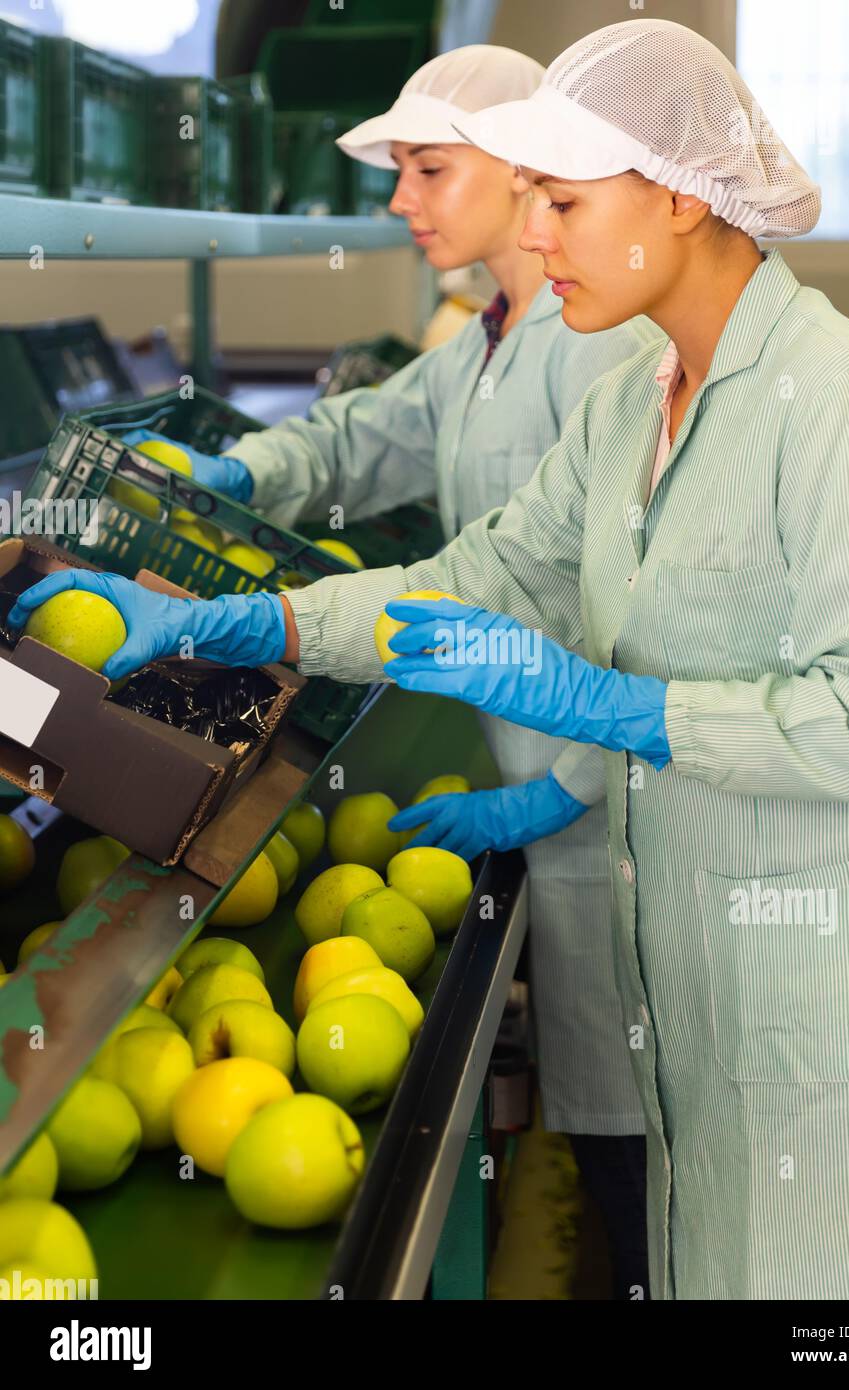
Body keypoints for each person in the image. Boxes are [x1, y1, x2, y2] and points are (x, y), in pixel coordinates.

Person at [17, 16, 849, 1300]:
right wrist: (254, 624)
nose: (534, 235)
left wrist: (614, 708)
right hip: (695, 990)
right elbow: (475, 574)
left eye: (566, 203)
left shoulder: (841, 402)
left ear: (684, 199)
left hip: (833, 1011)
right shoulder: (632, 404)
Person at [42, 45, 661, 1298]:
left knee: (647, 1160)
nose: (398, 200)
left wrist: (569, 787)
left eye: (429, 168)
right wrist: (227, 482)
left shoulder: (591, 349)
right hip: (546, 781)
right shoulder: (495, 333)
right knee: (613, 1137)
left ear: (525, 171)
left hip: (623, 816)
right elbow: (362, 436)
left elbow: (649, 622)